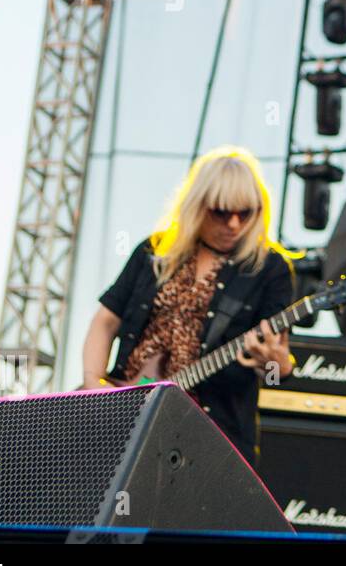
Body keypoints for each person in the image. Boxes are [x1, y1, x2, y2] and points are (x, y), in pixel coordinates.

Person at [81, 146, 299, 463]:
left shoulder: (269, 269)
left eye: (245, 213)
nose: (234, 224)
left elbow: (272, 369)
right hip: (126, 414)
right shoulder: (154, 252)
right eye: (221, 212)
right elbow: (105, 322)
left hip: (208, 435)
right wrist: (92, 385)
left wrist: (279, 365)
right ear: (197, 206)